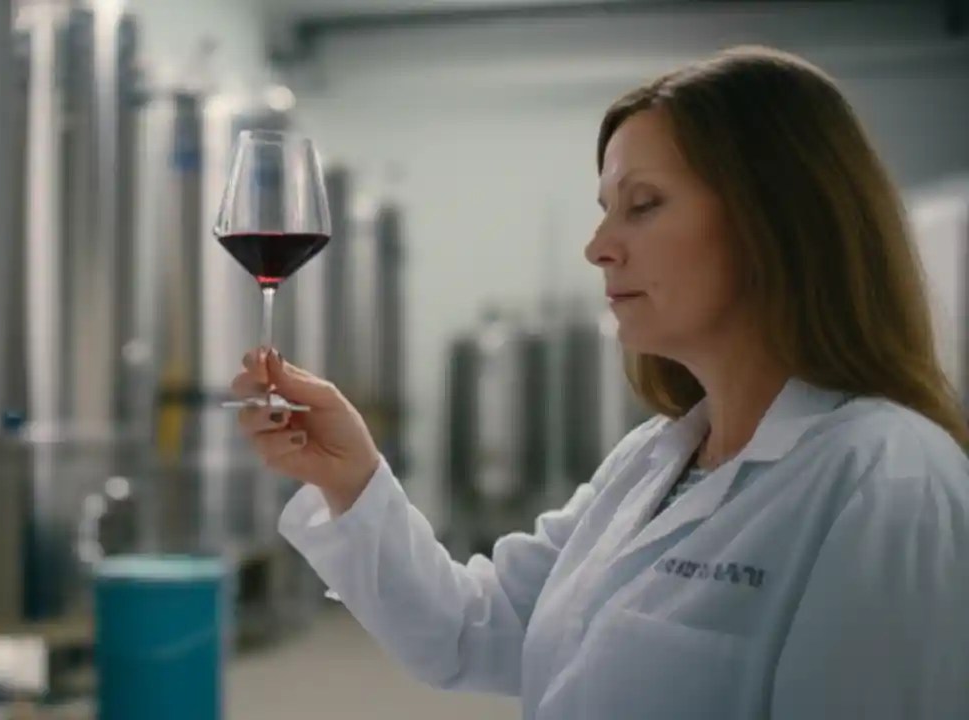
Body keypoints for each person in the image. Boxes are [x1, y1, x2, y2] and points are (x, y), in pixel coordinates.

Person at [231, 45, 969, 719]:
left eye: (642, 206)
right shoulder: (656, 460)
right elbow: (469, 631)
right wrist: (353, 480)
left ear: (775, 218)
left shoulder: (886, 480)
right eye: (604, 210)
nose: (598, 248)